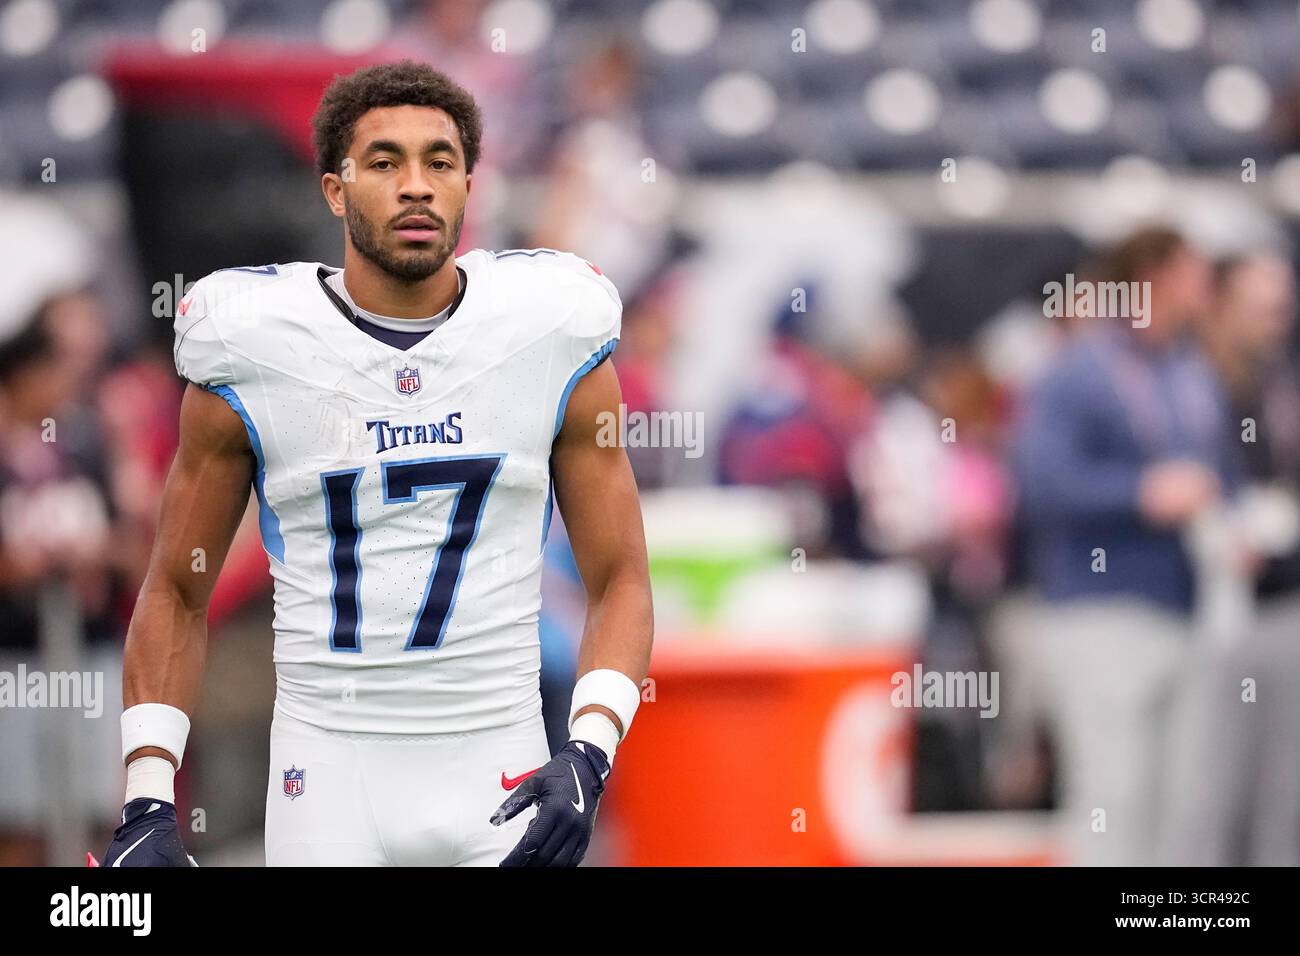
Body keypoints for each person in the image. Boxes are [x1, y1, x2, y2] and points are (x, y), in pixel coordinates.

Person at [101, 61, 654, 867]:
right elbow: (177, 589)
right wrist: (146, 797)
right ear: (335, 190)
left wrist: (592, 748)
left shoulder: (549, 327)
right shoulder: (255, 341)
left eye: (439, 162)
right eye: (386, 162)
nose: (417, 186)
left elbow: (622, 579)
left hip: (499, 770)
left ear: (470, 184)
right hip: (326, 778)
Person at [1014, 227, 1234, 865]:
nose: (1206, 288)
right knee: (1114, 794)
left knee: (1183, 800)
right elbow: (1039, 483)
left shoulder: (1189, 370)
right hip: (1101, 607)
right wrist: (1139, 493)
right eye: (1193, 272)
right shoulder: (1081, 370)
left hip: (1189, 603)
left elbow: (1219, 472)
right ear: (1155, 275)